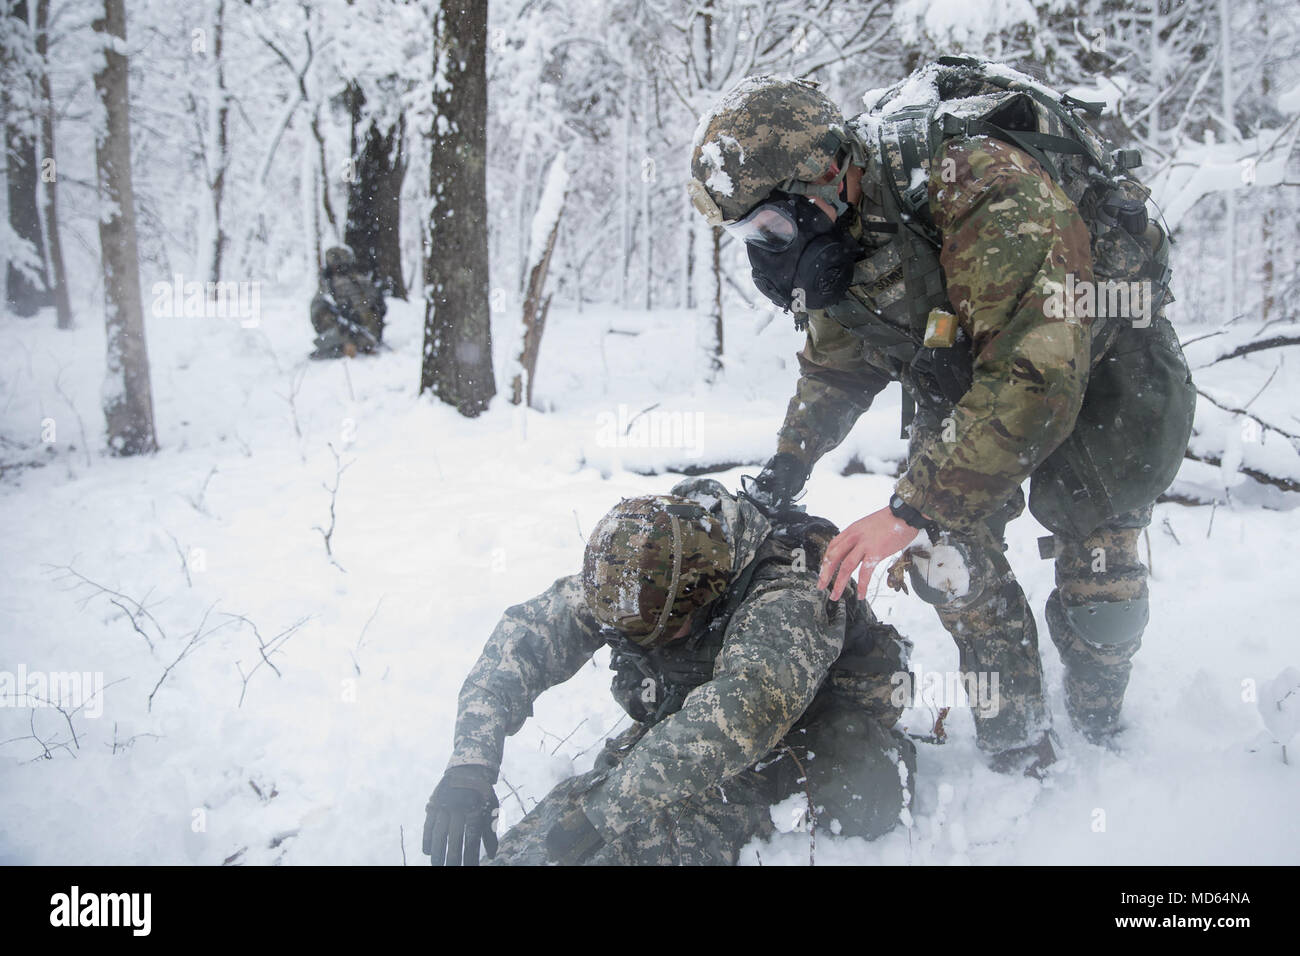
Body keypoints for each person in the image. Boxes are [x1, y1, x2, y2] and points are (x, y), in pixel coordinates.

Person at [687, 58, 1195, 772]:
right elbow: (840, 359)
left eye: (770, 225)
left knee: (1102, 595)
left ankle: (1102, 724)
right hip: (964, 365)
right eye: (749, 236)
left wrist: (907, 507)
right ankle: (1017, 740)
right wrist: (791, 460)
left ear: (823, 177)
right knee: (947, 558)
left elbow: (1036, 375)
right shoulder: (838, 237)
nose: (768, 251)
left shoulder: (982, 184)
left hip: (1104, 360)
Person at [422, 477, 916, 865]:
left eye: (653, 636)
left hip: (802, 722)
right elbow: (523, 645)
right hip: (706, 711)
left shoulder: (786, 593)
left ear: (701, 601)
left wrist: (606, 814)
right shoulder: (642, 566)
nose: (628, 644)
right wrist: (470, 767)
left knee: (643, 836)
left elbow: (741, 715)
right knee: (559, 835)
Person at [308, 246, 386, 359]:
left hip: (359, 329)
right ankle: (351, 344)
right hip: (352, 329)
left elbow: (375, 305)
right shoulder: (332, 283)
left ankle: (348, 345)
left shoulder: (353, 281)